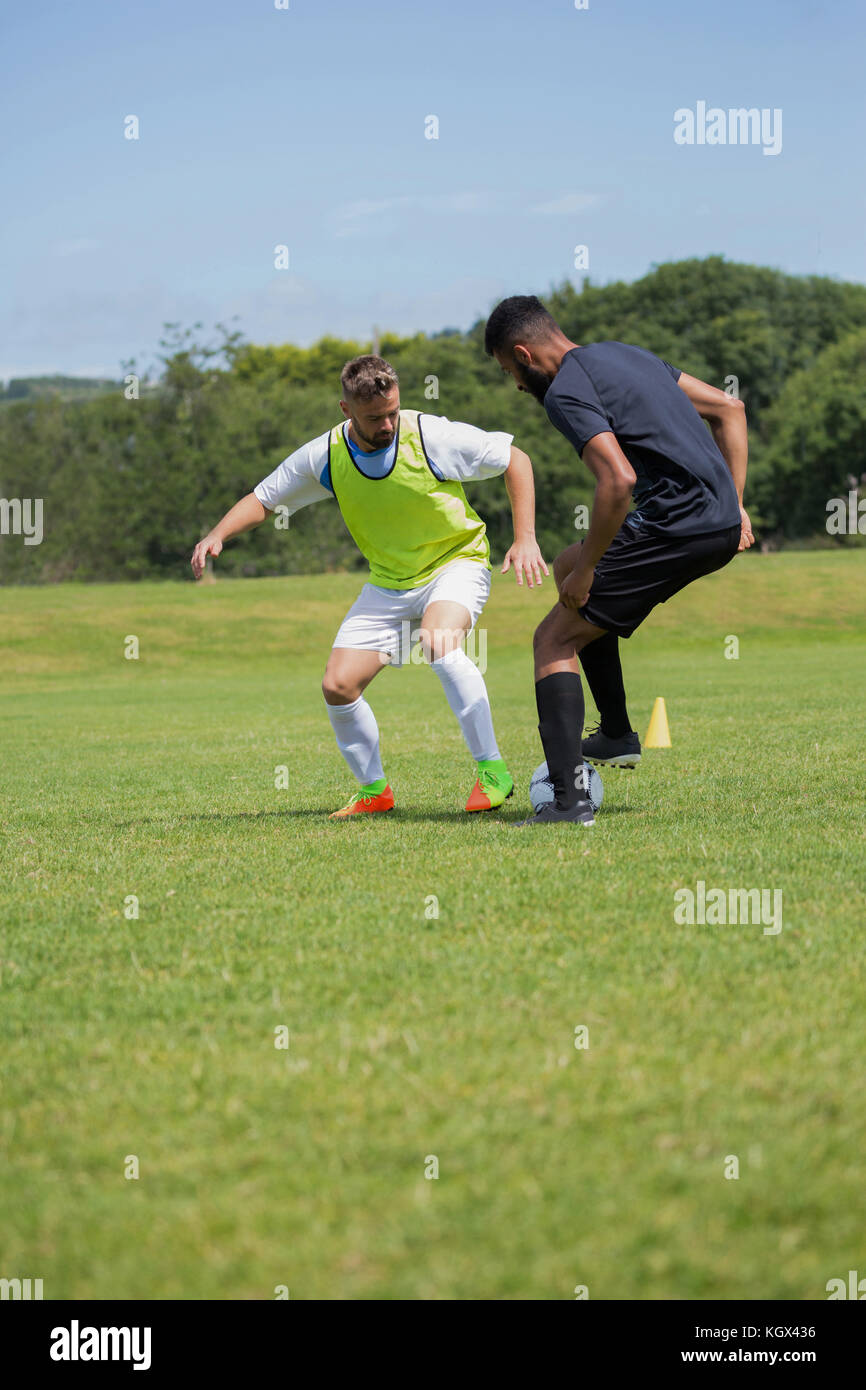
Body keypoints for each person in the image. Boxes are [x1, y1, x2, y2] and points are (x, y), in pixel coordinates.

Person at [191, 354, 548, 817]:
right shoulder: (326, 455)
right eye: (374, 418)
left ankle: (493, 772)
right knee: (337, 685)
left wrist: (525, 538)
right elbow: (264, 498)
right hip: (390, 584)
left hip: (455, 563)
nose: (387, 424)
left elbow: (514, 460)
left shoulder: (429, 434)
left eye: (392, 412)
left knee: (438, 641)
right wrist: (218, 534)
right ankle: (374, 792)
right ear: (346, 411)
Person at [484, 295, 753, 827]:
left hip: (672, 524)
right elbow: (730, 409)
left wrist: (589, 574)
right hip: (717, 524)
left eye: (510, 371)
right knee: (565, 563)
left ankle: (568, 803)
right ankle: (615, 733)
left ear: (524, 354)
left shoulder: (563, 392)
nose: (516, 384)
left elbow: (618, 481)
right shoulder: (627, 355)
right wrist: (735, 505)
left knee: (553, 639)